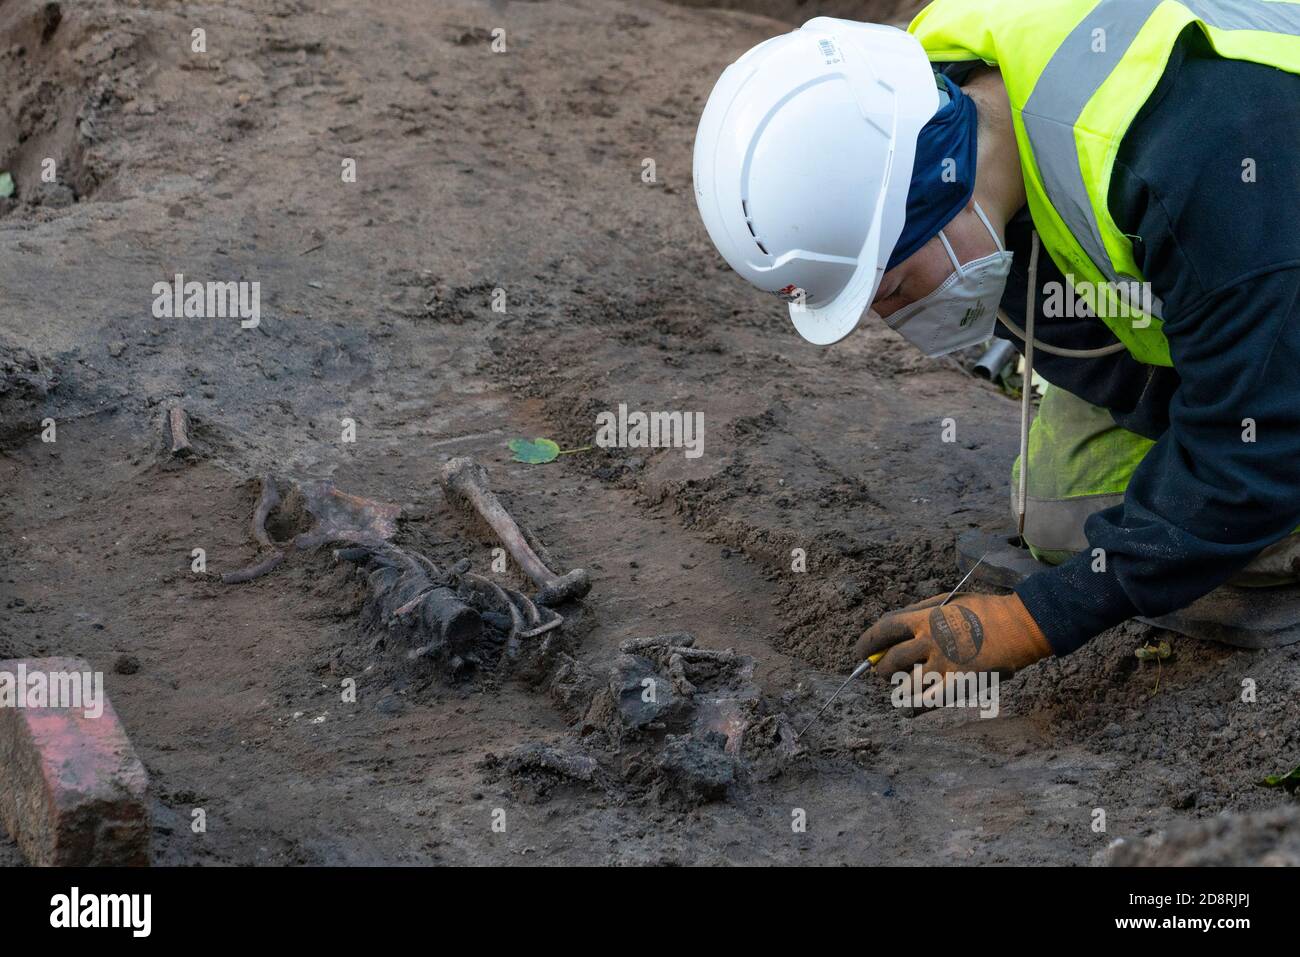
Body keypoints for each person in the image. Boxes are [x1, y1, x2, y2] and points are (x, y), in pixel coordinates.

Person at [692, 1, 1300, 682]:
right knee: (1061, 509)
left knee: (1252, 480)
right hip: (1250, 281)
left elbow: (1255, 440)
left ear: (928, 202)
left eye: (891, 289)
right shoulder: (938, 102)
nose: (896, 316)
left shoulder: (1194, 157)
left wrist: (1037, 617)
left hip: (1265, 214)